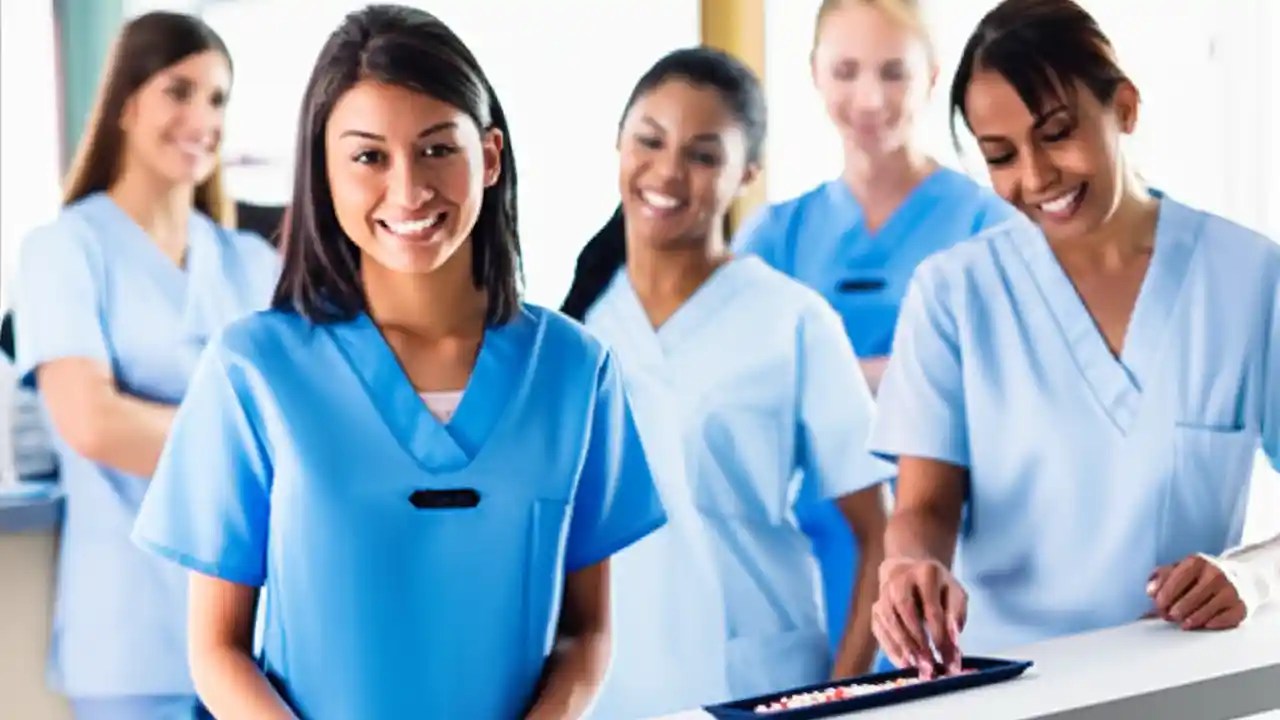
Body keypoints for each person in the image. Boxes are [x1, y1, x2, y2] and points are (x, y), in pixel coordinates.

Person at [130, 6, 666, 719]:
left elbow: (586, 630)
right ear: (324, 170)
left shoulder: (576, 370)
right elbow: (217, 650)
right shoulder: (252, 370)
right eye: (369, 156)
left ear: (492, 156)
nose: (409, 189)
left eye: (438, 149)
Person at [868, 0, 1279, 679]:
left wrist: (1254, 578)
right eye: (999, 156)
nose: (1035, 178)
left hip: (1178, 688)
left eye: (1057, 133)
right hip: (1002, 686)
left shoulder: (1248, 277)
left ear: (1124, 107)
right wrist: (912, 567)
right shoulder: (954, 292)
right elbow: (925, 504)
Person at [562, 47, 893, 704]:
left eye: (704, 154)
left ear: (748, 173)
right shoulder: (576, 329)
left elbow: (879, 535)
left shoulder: (793, 322)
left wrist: (841, 696)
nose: (668, 171)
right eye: (649, 141)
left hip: (758, 683)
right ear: (618, 145)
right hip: (610, 694)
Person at [12, 12, 279, 719]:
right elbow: (93, 423)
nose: (203, 117)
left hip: (256, 638)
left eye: (219, 98)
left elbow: (299, 417)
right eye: (180, 91)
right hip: (130, 636)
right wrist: (250, 443)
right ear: (127, 103)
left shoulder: (249, 261)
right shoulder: (64, 249)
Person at [733, 0, 1017, 661]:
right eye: (846, 70)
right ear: (813, 74)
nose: (869, 97)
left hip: (953, 556)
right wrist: (905, 374)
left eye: (894, 72)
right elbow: (745, 389)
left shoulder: (989, 222)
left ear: (933, 74)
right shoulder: (776, 235)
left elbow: (1001, 383)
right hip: (805, 551)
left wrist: (827, 377)